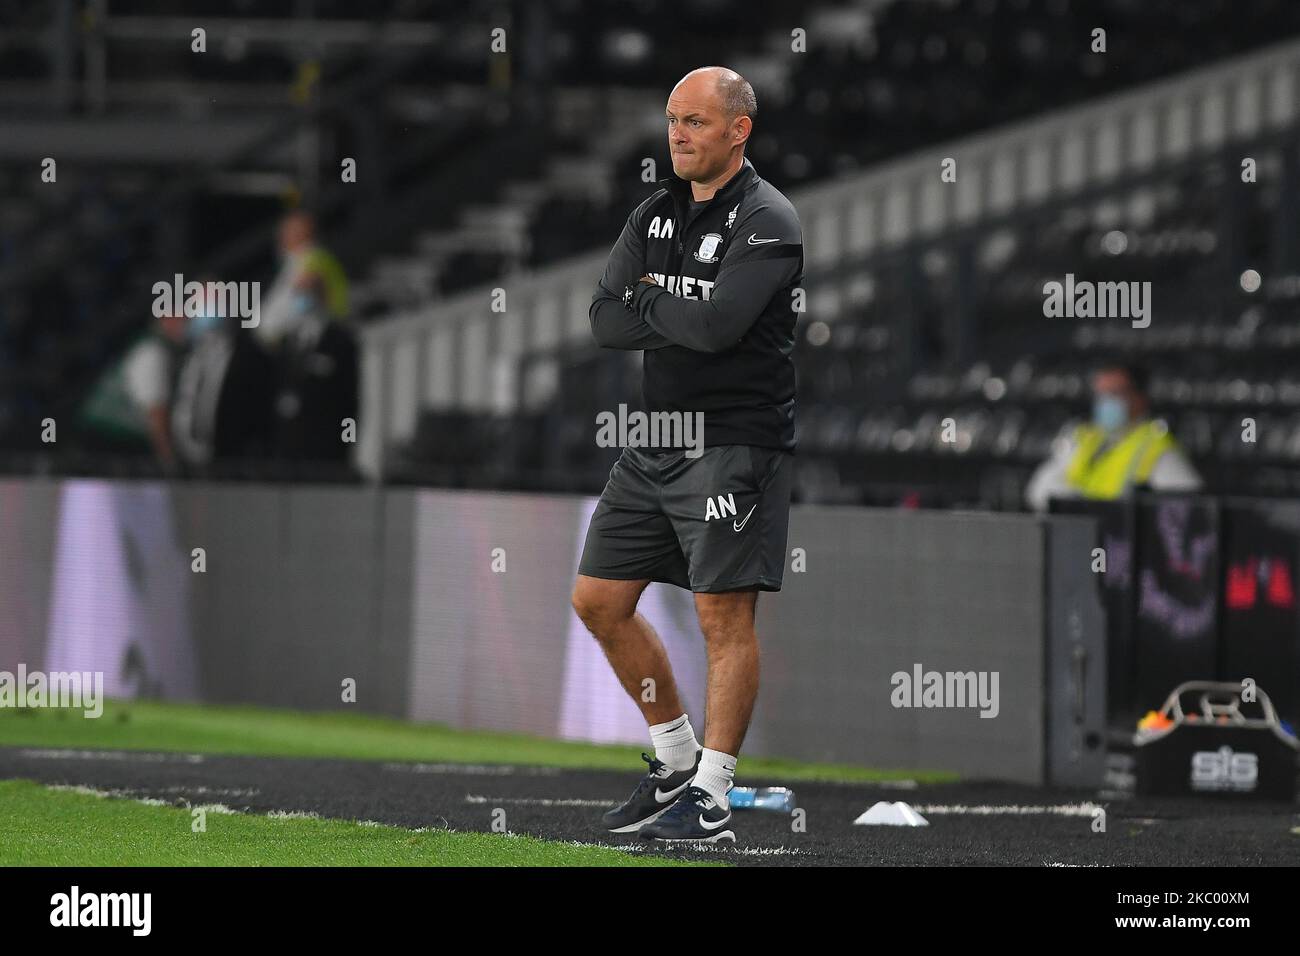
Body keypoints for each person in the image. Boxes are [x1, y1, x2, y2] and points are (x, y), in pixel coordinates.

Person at [570, 66, 803, 844]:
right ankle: (674, 759)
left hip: (735, 439)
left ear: (739, 130)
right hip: (658, 437)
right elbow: (603, 320)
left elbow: (718, 331)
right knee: (598, 600)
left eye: (695, 122)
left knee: (722, 614)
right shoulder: (655, 209)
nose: (677, 134)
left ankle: (714, 793)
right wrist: (659, 307)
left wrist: (645, 300)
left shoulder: (769, 219)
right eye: (673, 119)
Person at [1025, 362, 1202, 512]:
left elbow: (1187, 509)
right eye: (1101, 394)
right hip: (1078, 536)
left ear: (1140, 398)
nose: (1105, 401)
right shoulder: (1084, 437)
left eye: (1115, 394)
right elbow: (1039, 491)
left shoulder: (1156, 447)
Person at [77, 311, 187, 471]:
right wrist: (170, 462)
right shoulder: (153, 353)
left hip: (110, 443)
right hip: (109, 446)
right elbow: (156, 414)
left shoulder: (153, 347)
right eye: (181, 318)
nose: (186, 324)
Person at [255, 210, 349, 350]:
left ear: (302, 233)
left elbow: (304, 302)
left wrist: (276, 328)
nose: (280, 237)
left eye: (286, 232)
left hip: (317, 340)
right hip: (300, 340)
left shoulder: (312, 259)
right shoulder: (297, 260)